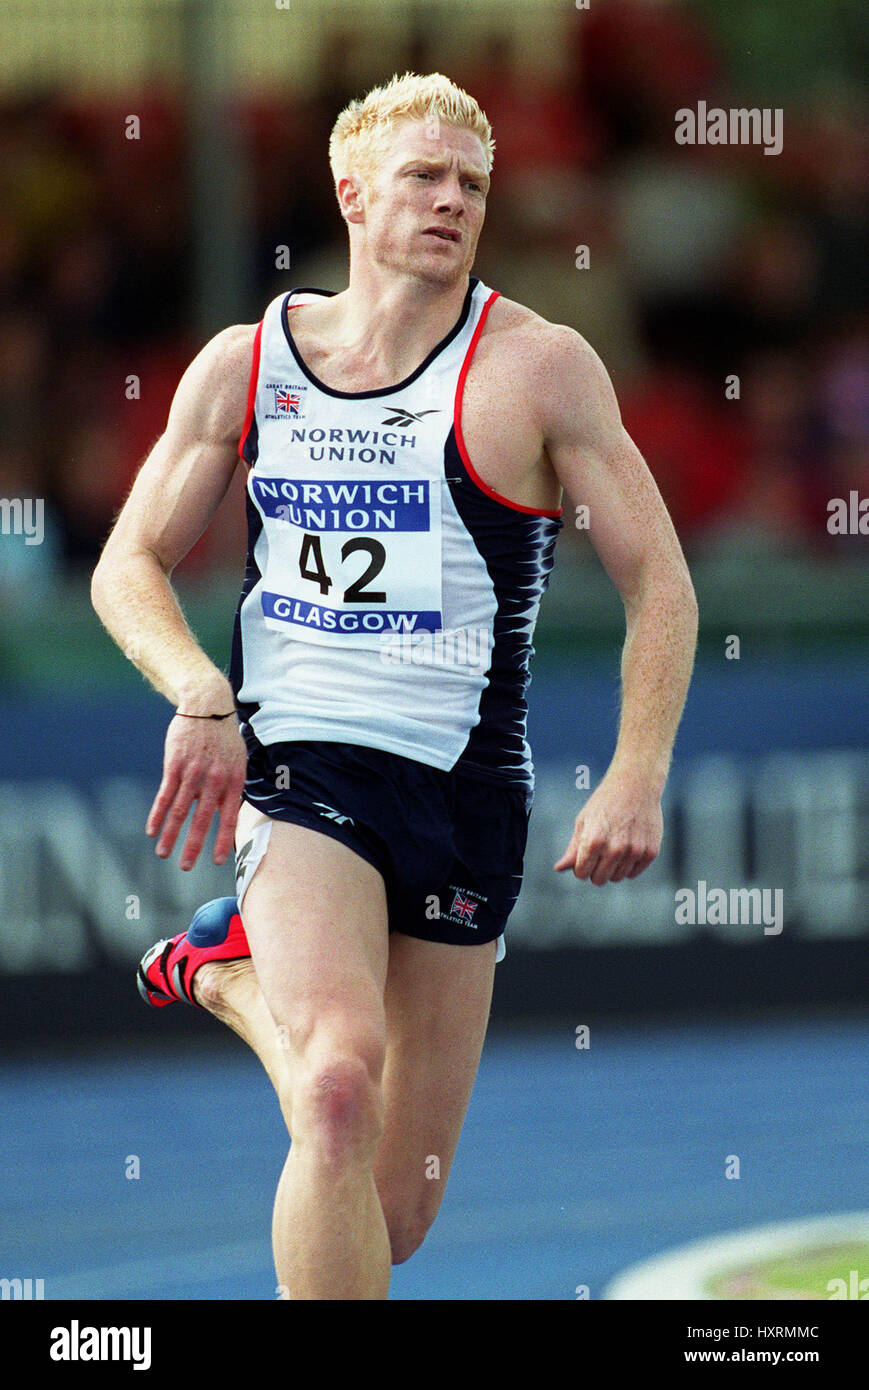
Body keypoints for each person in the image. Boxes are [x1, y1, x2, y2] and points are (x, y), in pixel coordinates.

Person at [91, 72, 698, 1300]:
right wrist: (200, 692)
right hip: (304, 770)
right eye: (423, 176)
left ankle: (222, 967)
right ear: (350, 192)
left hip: (467, 794)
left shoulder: (538, 367)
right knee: (332, 1090)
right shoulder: (249, 363)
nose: (451, 200)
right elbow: (127, 565)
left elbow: (663, 585)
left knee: (393, 1210)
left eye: (471, 184)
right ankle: (263, 980)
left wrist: (635, 772)